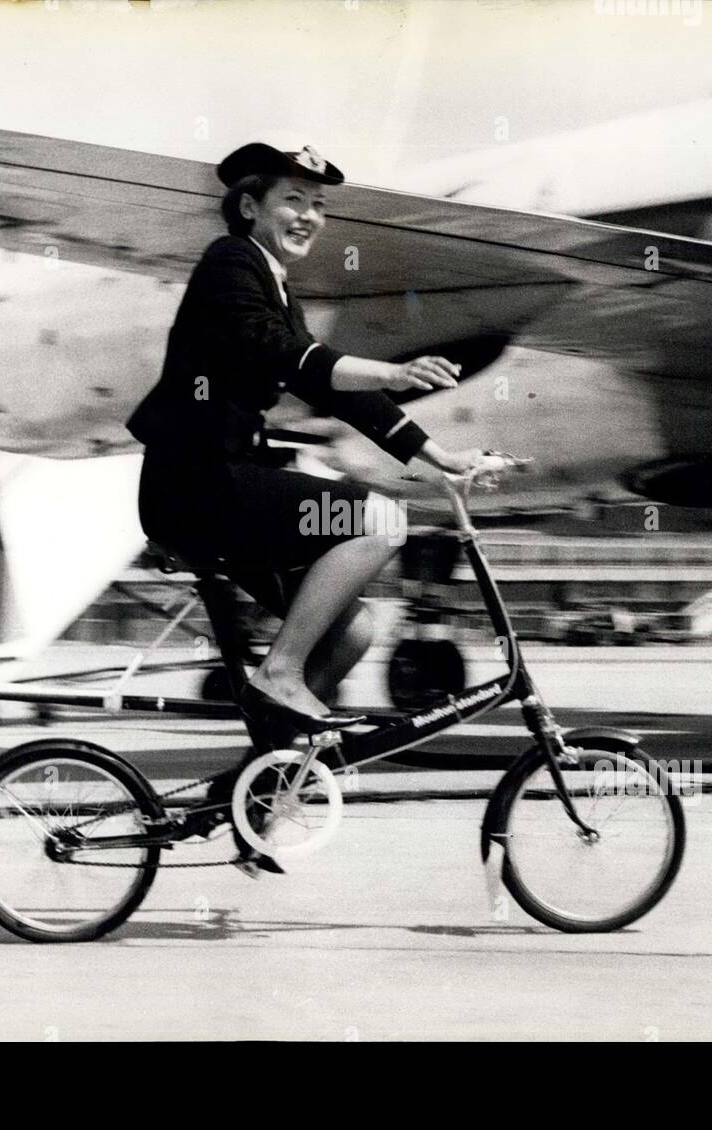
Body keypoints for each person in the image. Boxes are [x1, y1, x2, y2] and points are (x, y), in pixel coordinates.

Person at [126, 140, 483, 868]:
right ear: (249, 206)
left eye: (319, 206)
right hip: (197, 483)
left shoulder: (275, 285)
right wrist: (396, 365)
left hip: (218, 483)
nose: (309, 216)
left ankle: (263, 797)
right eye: (294, 199)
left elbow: (325, 386)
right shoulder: (230, 264)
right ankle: (281, 675)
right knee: (380, 520)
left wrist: (436, 455)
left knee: (354, 630)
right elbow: (283, 359)